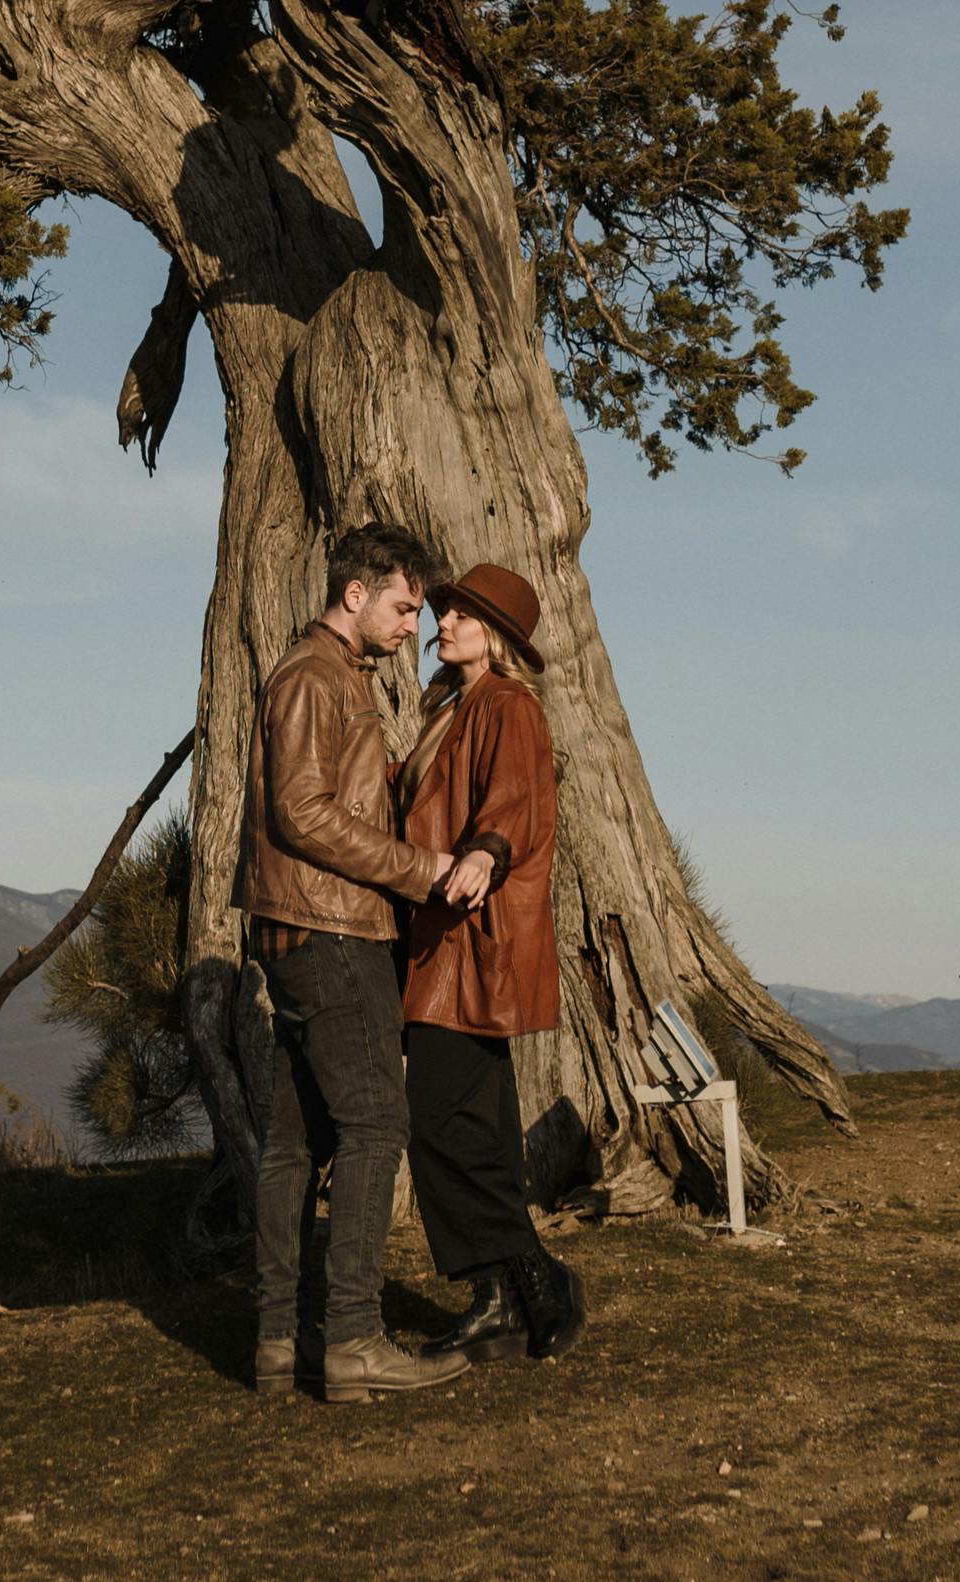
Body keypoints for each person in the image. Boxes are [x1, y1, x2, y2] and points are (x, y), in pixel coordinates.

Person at [241, 519, 466, 1403]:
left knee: (295, 1141)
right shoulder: (313, 677)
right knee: (377, 1124)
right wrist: (421, 870)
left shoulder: (337, 678)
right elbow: (302, 813)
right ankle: (355, 1341)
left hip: (305, 927)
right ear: (356, 594)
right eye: (406, 608)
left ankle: (276, 1343)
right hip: (331, 931)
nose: (415, 625)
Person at [394, 561, 585, 1363]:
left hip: (473, 943)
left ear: (497, 636)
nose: (444, 625)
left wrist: (485, 854)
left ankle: (536, 1272)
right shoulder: (450, 706)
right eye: (444, 614)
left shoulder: (508, 705)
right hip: (443, 940)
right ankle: (501, 1298)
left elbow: (513, 798)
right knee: (482, 1128)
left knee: (437, 1121)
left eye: (463, 617)